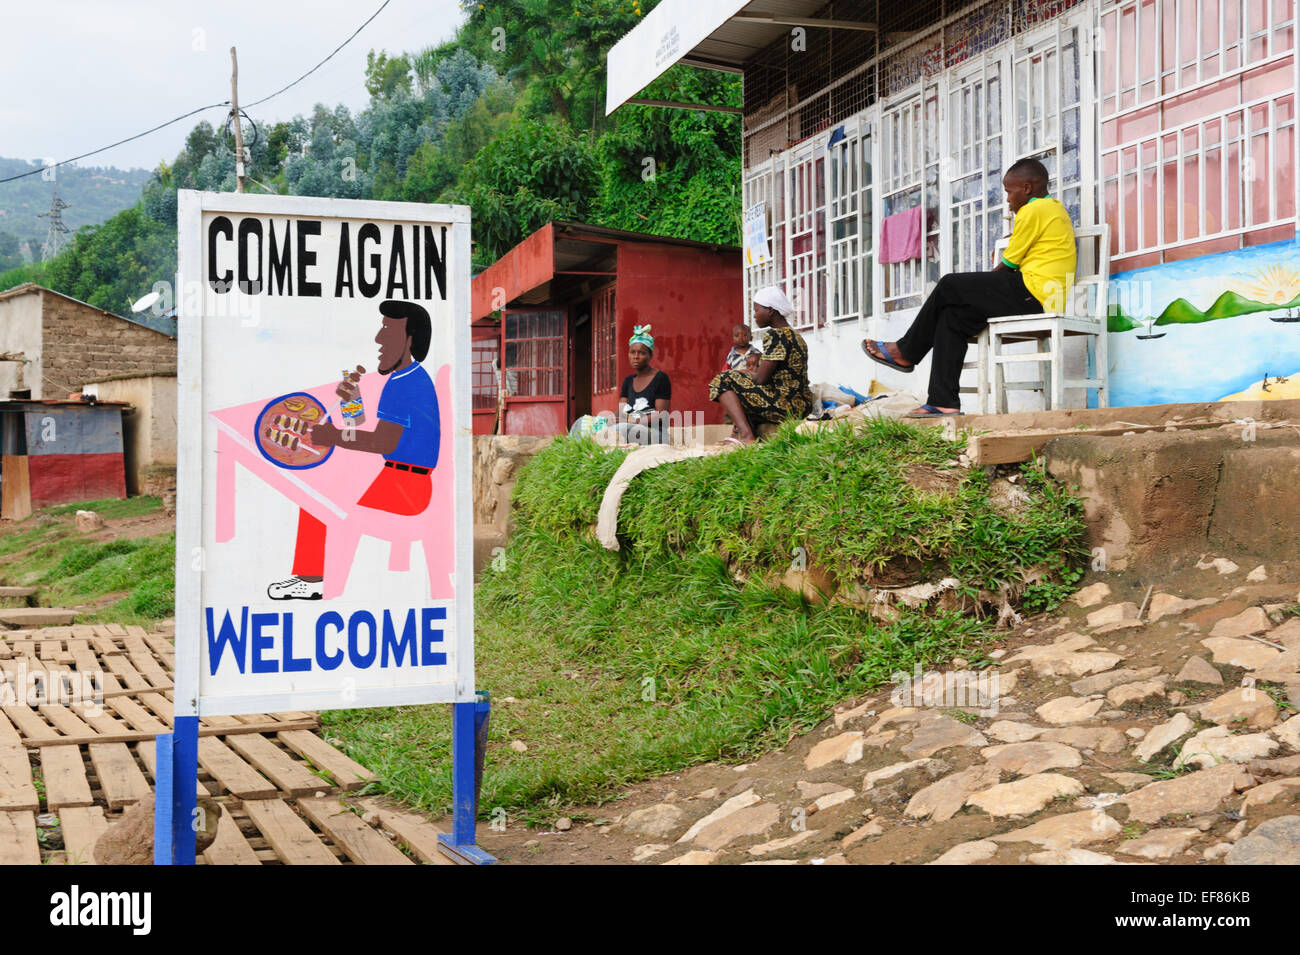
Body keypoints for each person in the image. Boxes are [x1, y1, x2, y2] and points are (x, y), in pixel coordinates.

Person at [861, 157, 1076, 417]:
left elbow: (1006, 265)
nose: (1008, 199)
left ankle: (906, 350)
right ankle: (943, 402)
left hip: (1034, 292)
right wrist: (977, 293)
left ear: (1027, 188)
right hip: (1038, 294)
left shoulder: (1035, 209)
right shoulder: (1052, 208)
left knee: (951, 285)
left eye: (1010, 191)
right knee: (952, 318)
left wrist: (974, 290)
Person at [267, 299, 439, 600]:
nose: (378, 338)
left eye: (387, 329)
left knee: (316, 498)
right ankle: (314, 576)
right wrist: (350, 404)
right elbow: (369, 429)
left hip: (406, 487)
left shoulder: (406, 383)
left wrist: (333, 435)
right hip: (398, 478)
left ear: (409, 338)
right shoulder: (405, 378)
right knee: (326, 487)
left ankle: (310, 579)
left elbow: (383, 442)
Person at [709, 286, 815, 444]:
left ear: (770, 310)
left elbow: (761, 379)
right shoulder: (796, 335)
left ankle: (745, 436)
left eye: (757, 310)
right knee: (740, 385)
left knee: (723, 379)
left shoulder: (776, 335)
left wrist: (745, 374)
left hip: (787, 405)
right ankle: (741, 433)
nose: (754, 315)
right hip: (803, 404)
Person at [617, 324, 671, 444]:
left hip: (656, 432)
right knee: (590, 424)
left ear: (650, 355)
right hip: (629, 428)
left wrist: (634, 422)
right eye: (632, 352)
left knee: (621, 429)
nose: (636, 357)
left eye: (641, 353)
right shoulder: (628, 381)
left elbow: (661, 413)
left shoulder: (660, 378)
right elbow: (622, 410)